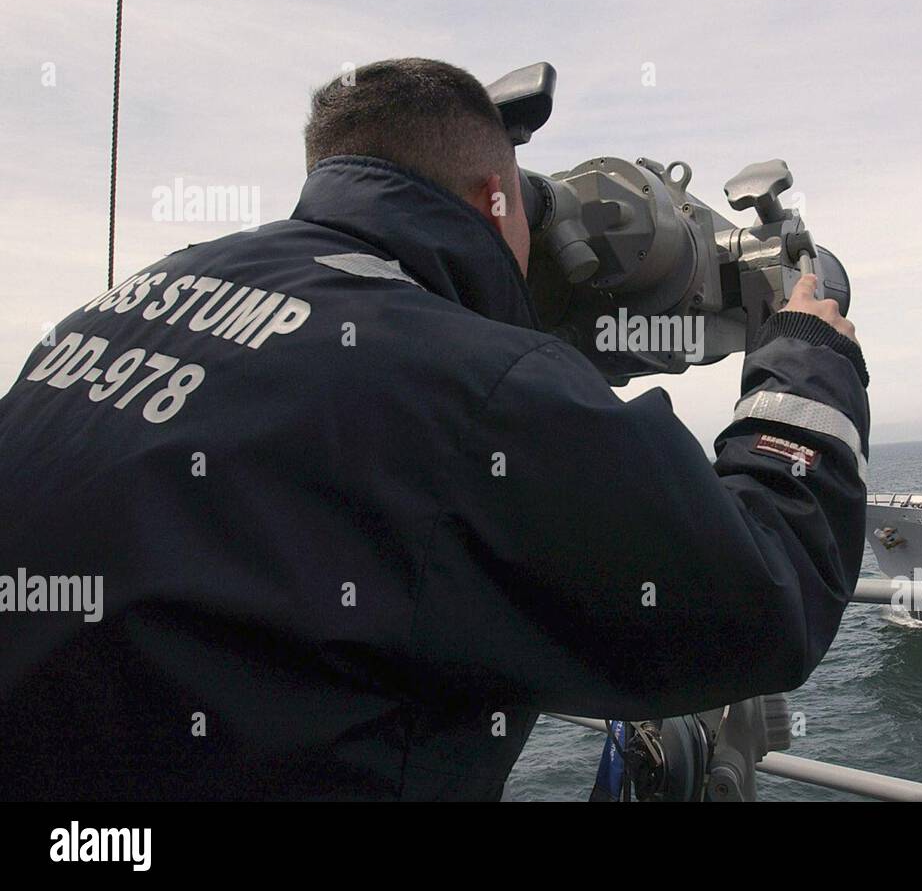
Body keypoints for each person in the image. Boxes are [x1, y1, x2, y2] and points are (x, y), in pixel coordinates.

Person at [0, 59, 869, 801]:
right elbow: (767, 596)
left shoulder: (131, 302)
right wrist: (809, 353)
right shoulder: (478, 395)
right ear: (495, 198)